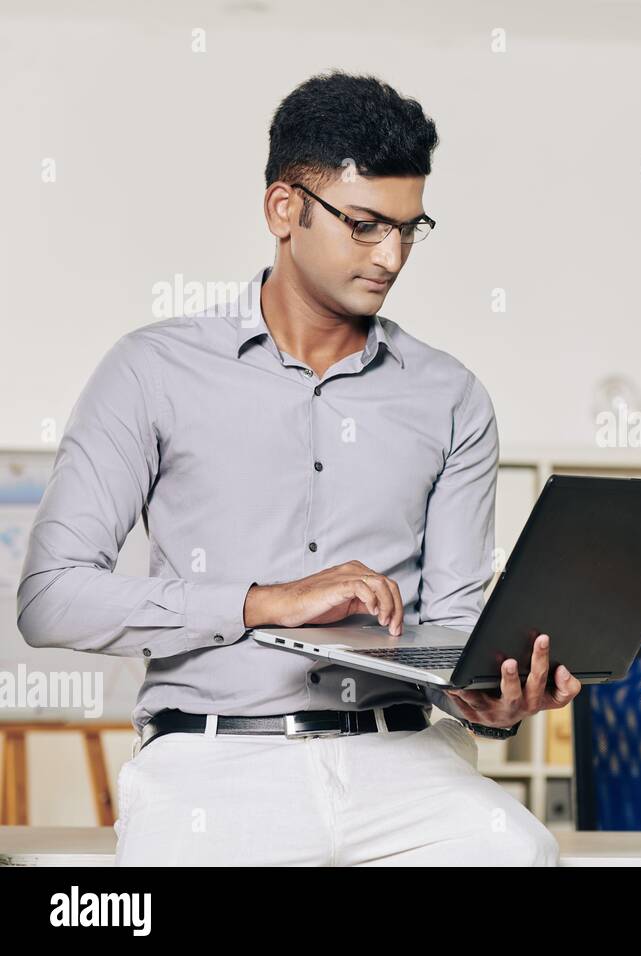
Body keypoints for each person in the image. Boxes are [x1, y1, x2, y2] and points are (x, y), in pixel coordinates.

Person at [17, 71, 581, 866]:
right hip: (215, 761)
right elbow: (49, 599)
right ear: (285, 208)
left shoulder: (451, 396)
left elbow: (451, 635)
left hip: (402, 761)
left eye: (409, 228)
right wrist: (264, 602)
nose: (391, 256)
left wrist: (490, 700)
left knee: (521, 851)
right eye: (364, 225)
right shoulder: (152, 371)